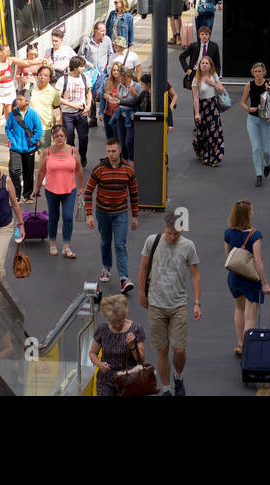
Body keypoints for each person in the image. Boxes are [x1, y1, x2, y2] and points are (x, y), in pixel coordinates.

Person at [138, 207, 202, 397]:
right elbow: (143, 268)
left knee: (179, 349)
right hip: (156, 304)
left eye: (176, 234)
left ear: (181, 229)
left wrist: (197, 302)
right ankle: (166, 388)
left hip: (178, 304)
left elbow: (195, 274)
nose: (172, 237)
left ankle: (178, 375)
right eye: (169, 233)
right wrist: (142, 293)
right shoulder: (152, 241)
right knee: (162, 350)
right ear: (164, 228)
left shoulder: (188, 246)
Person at [84, 136, 140, 292]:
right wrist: (89, 215)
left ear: (120, 150)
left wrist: (134, 216)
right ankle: (106, 267)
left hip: (121, 213)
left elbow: (134, 194)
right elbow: (88, 192)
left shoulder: (128, 170)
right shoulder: (99, 169)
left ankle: (124, 278)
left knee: (120, 244)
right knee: (105, 242)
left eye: (114, 151)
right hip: (102, 212)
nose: (111, 154)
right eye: (108, 151)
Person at [223, 200, 270, 356]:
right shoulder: (255, 235)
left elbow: (228, 254)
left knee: (239, 309)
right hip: (250, 279)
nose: (253, 213)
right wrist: (264, 283)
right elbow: (257, 261)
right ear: (246, 215)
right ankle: (248, 349)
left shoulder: (228, 232)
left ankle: (240, 344)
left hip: (234, 277)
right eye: (251, 211)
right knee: (250, 316)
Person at [35, 124, 82, 258]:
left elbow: (78, 170)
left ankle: (66, 247)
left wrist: (82, 187)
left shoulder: (73, 151)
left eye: (61, 136)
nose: (59, 138)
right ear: (53, 138)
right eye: (56, 136)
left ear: (65, 137)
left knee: (68, 217)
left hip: (69, 189)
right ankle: (53, 244)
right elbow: (42, 171)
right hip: (51, 190)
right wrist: (37, 187)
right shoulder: (47, 152)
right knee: (54, 218)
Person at [88, 294, 147, 397]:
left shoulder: (136, 329)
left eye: (121, 321)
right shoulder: (102, 330)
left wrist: (133, 346)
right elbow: (92, 353)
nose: (118, 325)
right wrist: (99, 364)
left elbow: (141, 359)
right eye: (113, 322)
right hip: (106, 381)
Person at [240, 62, 270, 186]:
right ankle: (258, 174)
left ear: (264, 72)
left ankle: (266, 163)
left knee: (266, 150)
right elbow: (243, 102)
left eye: (260, 72)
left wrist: (269, 89)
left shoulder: (269, 84)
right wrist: (248, 109)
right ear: (253, 73)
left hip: (265, 120)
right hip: (252, 120)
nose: (257, 74)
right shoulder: (249, 85)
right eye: (255, 72)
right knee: (256, 148)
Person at [4, 92, 43, 203]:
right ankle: (16, 196)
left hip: (29, 149)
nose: (18, 102)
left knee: (28, 172)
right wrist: (12, 140)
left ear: (27, 101)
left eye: (20, 100)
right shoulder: (13, 114)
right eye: (17, 99)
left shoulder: (33, 114)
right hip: (15, 149)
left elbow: (39, 130)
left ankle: (27, 195)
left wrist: (33, 141)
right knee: (15, 171)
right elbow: (7, 128)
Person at [191, 55, 227, 168]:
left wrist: (212, 83)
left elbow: (222, 90)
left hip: (212, 106)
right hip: (201, 107)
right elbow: (195, 98)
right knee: (201, 133)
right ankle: (200, 149)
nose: (205, 65)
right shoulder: (196, 79)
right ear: (200, 66)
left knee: (214, 133)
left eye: (207, 63)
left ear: (210, 65)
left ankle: (213, 158)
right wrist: (197, 113)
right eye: (203, 63)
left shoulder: (214, 76)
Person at [57, 55, 93, 163]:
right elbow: (58, 98)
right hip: (67, 114)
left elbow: (88, 93)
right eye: (82, 66)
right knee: (70, 139)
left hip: (81, 113)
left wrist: (89, 106)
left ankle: (83, 156)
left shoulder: (84, 78)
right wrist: (73, 105)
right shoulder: (63, 79)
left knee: (83, 138)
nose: (84, 68)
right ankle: (71, 159)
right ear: (75, 67)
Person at [80, 21, 114, 127]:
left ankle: (106, 115)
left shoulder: (107, 40)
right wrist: (89, 65)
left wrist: (109, 65)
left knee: (104, 95)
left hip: (104, 73)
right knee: (91, 94)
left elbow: (111, 54)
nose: (104, 33)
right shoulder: (87, 41)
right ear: (95, 31)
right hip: (91, 74)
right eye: (101, 31)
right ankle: (93, 118)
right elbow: (80, 55)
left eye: (105, 31)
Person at [111, 64, 146, 160]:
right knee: (122, 143)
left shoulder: (137, 86)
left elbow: (140, 101)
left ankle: (132, 161)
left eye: (120, 77)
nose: (118, 79)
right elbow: (120, 99)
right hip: (121, 117)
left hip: (131, 117)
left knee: (129, 141)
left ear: (126, 76)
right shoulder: (120, 86)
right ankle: (124, 161)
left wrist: (135, 94)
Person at [29, 64, 61, 150]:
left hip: (44, 127)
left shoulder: (53, 92)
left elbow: (55, 107)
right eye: (40, 74)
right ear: (37, 76)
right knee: (28, 153)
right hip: (29, 126)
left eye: (46, 75)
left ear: (50, 78)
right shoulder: (30, 88)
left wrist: (54, 126)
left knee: (43, 154)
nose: (42, 77)